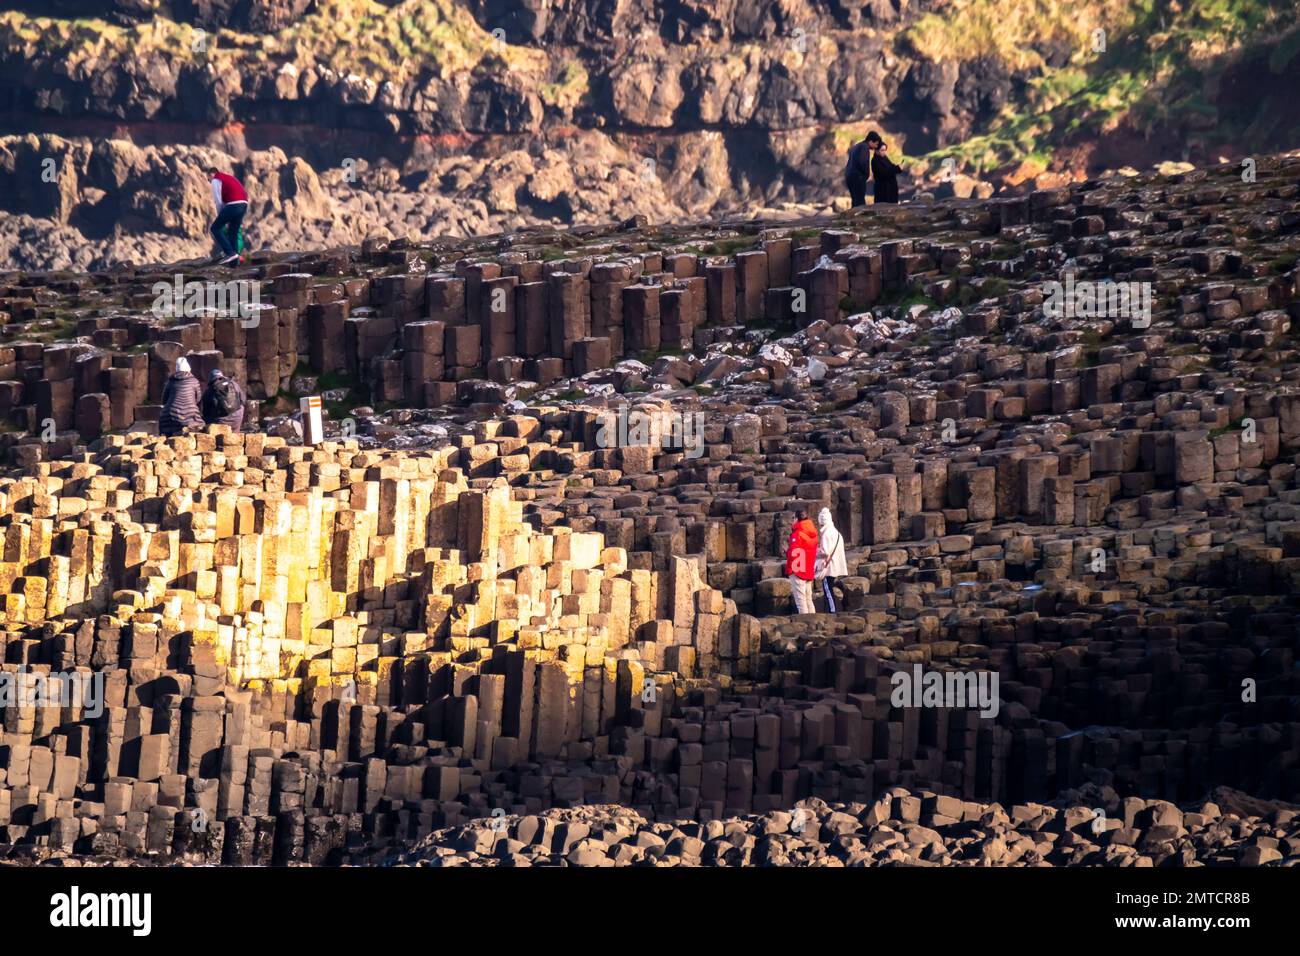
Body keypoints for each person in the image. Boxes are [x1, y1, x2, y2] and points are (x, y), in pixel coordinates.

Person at [207, 165, 248, 265]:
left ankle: (229, 253)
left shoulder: (216, 179)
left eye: (208, 179)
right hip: (244, 203)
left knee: (215, 228)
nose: (209, 181)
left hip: (234, 204)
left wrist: (220, 216)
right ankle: (234, 263)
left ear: (211, 174)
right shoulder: (228, 177)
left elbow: (218, 201)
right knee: (233, 231)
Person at [785, 507, 819, 615]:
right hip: (808, 569)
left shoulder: (797, 534)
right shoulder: (813, 535)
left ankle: (804, 625)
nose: (792, 521)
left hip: (798, 569)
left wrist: (787, 551)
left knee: (801, 601)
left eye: (793, 518)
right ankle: (813, 623)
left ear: (797, 519)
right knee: (808, 599)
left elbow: (795, 554)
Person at [159, 357, 204, 436]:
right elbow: (198, 400)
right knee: (201, 426)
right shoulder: (194, 381)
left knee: (165, 427)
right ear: (188, 368)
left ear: (177, 369)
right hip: (190, 415)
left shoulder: (171, 381)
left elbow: (164, 400)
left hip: (170, 416)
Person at [814, 507, 848, 612]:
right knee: (830, 586)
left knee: (827, 589)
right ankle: (838, 604)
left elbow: (825, 552)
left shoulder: (826, 534)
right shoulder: (836, 532)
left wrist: (814, 553)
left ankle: (832, 610)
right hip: (836, 565)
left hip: (829, 567)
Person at [865, 131, 903, 204]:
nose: (884, 152)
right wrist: (897, 169)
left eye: (885, 150)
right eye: (882, 150)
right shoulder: (875, 161)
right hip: (883, 190)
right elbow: (883, 172)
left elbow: (891, 167)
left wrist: (898, 167)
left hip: (890, 189)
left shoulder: (885, 158)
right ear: (876, 150)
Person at [844, 135, 874, 207]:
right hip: (857, 177)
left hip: (850, 176)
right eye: (875, 144)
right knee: (859, 201)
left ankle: (854, 216)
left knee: (855, 200)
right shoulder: (864, 147)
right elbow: (863, 162)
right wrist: (867, 175)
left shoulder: (854, 149)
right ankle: (858, 216)